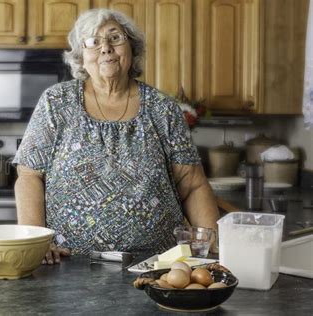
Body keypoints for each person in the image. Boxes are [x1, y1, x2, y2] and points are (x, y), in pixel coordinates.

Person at [13, 8, 220, 264]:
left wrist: (213, 244)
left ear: (131, 49)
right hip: (70, 265)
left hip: (154, 263)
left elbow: (193, 184)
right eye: (93, 41)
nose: (106, 48)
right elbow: (29, 175)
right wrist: (37, 240)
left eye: (115, 38)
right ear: (81, 56)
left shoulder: (162, 108)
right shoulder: (56, 102)